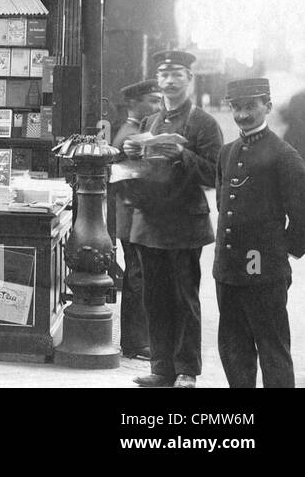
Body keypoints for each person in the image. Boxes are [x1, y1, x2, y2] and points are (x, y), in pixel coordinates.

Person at [124, 49, 222, 388]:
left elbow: (214, 174)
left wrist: (183, 154)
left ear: (189, 80)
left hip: (184, 226)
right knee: (155, 299)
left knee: (184, 299)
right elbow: (141, 174)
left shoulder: (204, 123)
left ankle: (186, 371)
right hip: (151, 224)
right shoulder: (151, 123)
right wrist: (134, 154)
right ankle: (161, 368)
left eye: (177, 74)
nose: (169, 81)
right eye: (164, 75)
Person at [214, 78, 305, 388]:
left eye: (250, 106)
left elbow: (302, 214)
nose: (242, 114)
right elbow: (222, 203)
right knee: (233, 348)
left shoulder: (284, 155)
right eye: (236, 107)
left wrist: (283, 251)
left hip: (265, 272)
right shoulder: (227, 152)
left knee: (272, 349)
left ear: (267, 106)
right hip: (228, 269)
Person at [111, 79, 161, 361]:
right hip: (132, 218)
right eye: (151, 101)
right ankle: (136, 342)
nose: (156, 106)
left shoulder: (135, 131)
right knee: (137, 277)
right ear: (133, 103)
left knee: (137, 275)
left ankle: (137, 340)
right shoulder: (131, 136)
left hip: (133, 217)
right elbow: (129, 181)